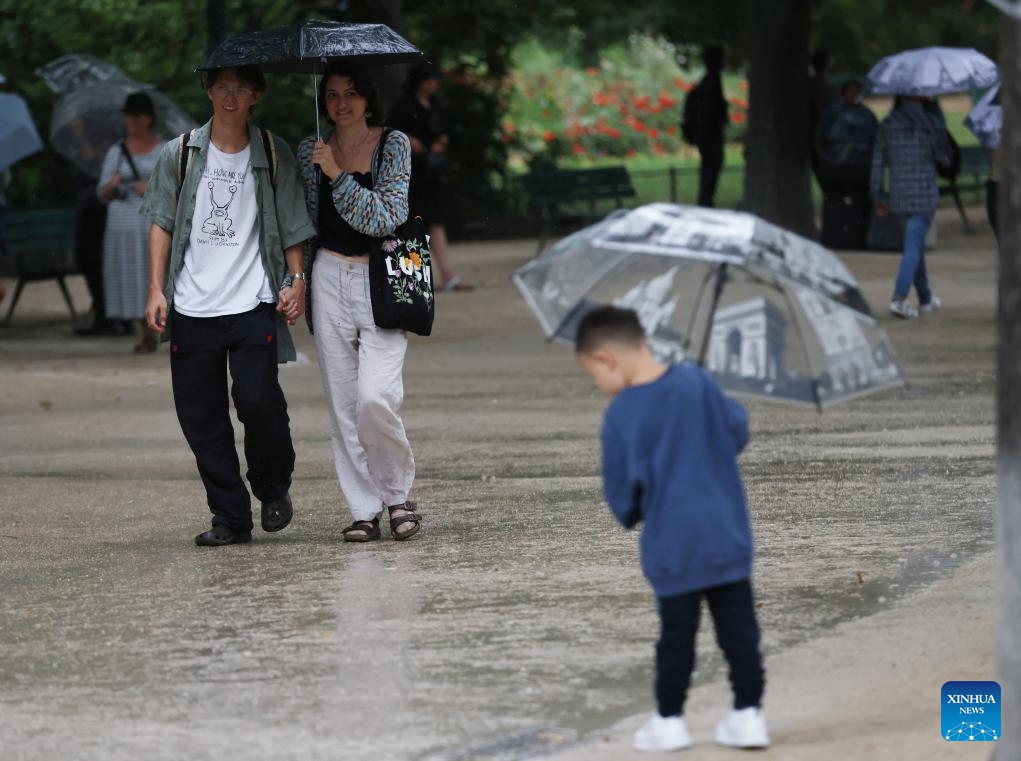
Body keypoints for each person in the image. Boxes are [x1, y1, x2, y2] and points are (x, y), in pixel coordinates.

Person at [575, 306, 768, 753]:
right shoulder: (697, 382)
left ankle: (670, 720)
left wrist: (637, 505)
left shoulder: (622, 414)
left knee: (677, 637)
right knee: (739, 631)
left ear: (607, 358)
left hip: (673, 547)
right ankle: (749, 714)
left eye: (593, 374)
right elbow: (737, 431)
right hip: (727, 536)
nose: (599, 384)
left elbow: (624, 500)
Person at [139, 65, 316, 546]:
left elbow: (293, 221)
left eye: (240, 88)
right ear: (209, 91)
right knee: (201, 417)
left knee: (259, 402)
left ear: (256, 94)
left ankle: (273, 484)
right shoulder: (179, 154)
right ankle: (231, 518)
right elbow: (160, 222)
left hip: (251, 301)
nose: (230, 97)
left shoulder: (273, 154)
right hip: (192, 305)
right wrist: (157, 290)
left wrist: (296, 279)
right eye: (221, 87)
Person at [295, 61, 423, 543]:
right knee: (344, 404)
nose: (341, 103)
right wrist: (296, 279)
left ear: (368, 99)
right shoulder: (313, 148)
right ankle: (365, 508)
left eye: (351, 93)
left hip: (382, 279)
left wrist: (338, 176)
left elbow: (385, 217)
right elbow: (304, 223)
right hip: (328, 276)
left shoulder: (393, 145)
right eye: (331, 94)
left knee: (376, 397)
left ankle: (398, 494)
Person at [387, 63, 472, 290]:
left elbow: (443, 129)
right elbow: (389, 130)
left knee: (435, 220)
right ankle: (412, 275)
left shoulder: (434, 104)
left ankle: (446, 274)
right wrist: (408, 140)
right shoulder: (404, 105)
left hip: (431, 173)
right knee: (412, 223)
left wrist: (440, 141)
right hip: (411, 174)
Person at [870, 95, 951, 319]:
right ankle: (899, 298)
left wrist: (878, 195)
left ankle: (925, 298)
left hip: (899, 194)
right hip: (924, 193)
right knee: (913, 246)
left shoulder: (887, 124)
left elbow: (877, 163)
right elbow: (944, 159)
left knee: (913, 244)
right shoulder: (931, 122)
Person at [96, 93, 164, 352]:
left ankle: (153, 329)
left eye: (137, 117)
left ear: (148, 118)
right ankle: (142, 332)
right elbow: (101, 194)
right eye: (128, 117)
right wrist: (112, 186)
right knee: (129, 277)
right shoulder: (117, 151)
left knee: (151, 274)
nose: (132, 122)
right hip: (121, 225)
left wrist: (149, 188)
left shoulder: (163, 148)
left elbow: (175, 187)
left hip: (150, 223)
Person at [682, 46, 728, 208]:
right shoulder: (711, 82)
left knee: (710, 170)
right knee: (710, 170)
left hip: (708, 135)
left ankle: (706, 202)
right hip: (710, 135)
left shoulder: (711, 81)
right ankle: (705, 204)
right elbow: (713, 112)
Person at [816, 79, 878, 192]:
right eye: (851, 91)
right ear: (843, 93)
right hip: (837, 164)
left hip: (861, 165)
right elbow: (820, 136)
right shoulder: (833, 113)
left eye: (857, 92)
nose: (854, 95)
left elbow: (875, 139)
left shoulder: (867, 114)